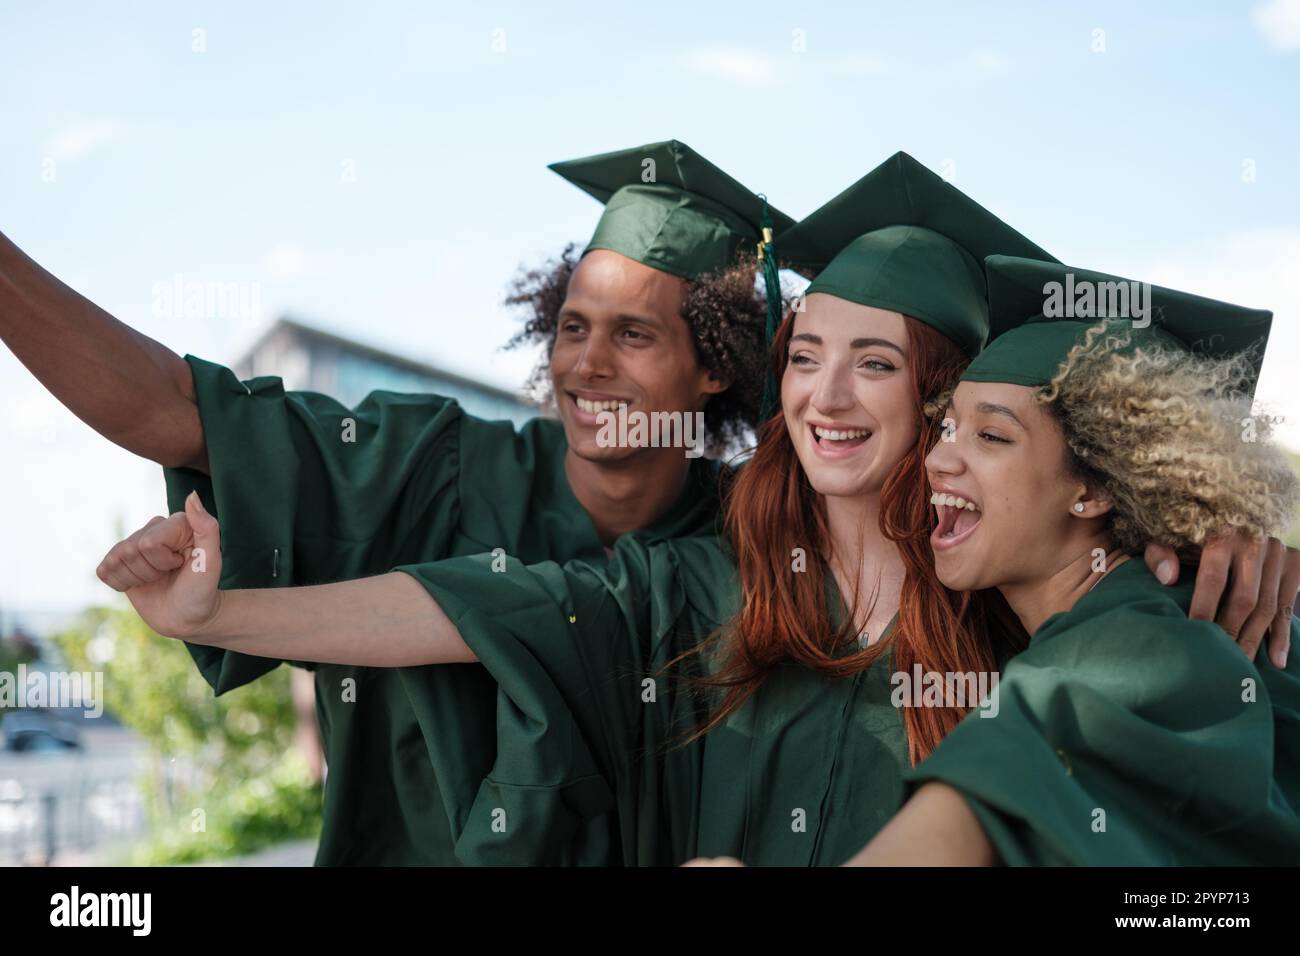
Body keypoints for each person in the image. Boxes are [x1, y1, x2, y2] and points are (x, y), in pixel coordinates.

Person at [94, 155, 1291, 864]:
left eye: (874, 363)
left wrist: (1234, 534)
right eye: (805, 352)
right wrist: (228, 608)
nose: (823, 393)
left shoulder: (1013, 610)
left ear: (940, 401)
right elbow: (477, 609)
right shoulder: (701, 583)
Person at [4, 140, 792, 864]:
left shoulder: (752, 540)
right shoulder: (429, 469)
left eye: (634, 336)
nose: (586, 365)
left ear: (717, 364)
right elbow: (178, 410)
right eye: (572, 326)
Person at [840, 255, 1300, 865]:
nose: (937, 461)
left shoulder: (1146, 634)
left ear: (1095, 490)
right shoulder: (1143, 603)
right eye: (947, 429)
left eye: (993, 436)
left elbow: (1007, 774)